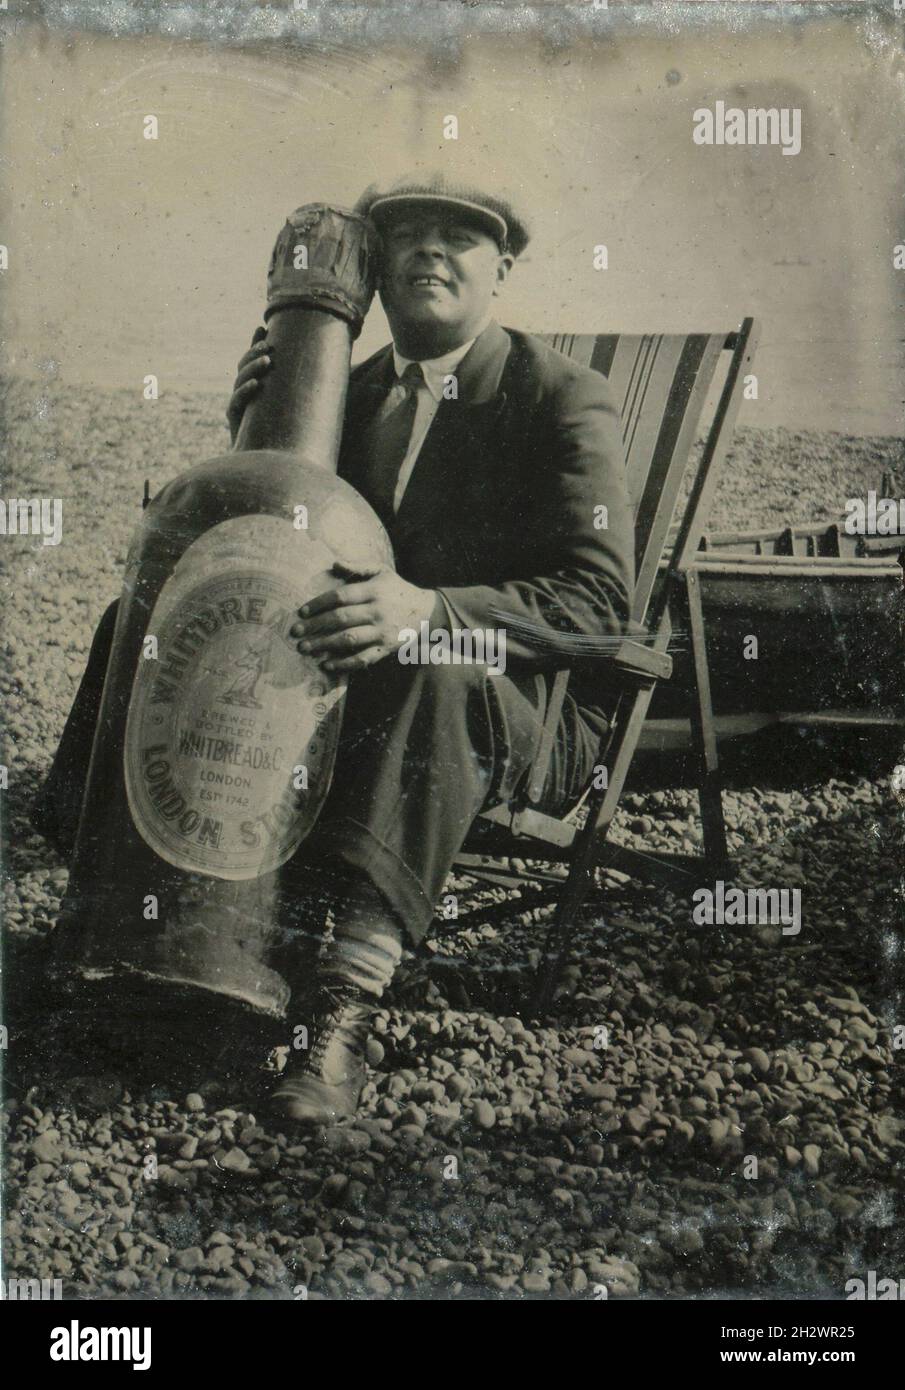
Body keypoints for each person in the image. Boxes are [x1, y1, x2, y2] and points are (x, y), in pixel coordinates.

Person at [33, 172, 635, 1126]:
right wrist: (251, 434)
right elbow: (271, 551)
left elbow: (601, 607)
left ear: (501, 268)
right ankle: (111, 918)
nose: (432, 251)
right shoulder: (342, 396)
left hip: (515, 700)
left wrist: (430, 611)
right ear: (376, 269)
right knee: (138, 617)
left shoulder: (560, 398)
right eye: (408, 235)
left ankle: (337, 1016)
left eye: (462, 237)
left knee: (436, 669)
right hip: (361, 673)